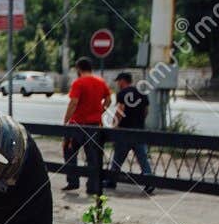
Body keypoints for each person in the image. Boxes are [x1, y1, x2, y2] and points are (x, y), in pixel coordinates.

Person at [62, 57, 110, 195]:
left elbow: (73, 103)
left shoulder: (79, 82)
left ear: (78, 68)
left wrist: (66, 121)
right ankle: (93, 186)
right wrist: (100, 111)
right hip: (94, 125)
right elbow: (108, 99)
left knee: (69, 151)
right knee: (92, 156)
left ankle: (73, 181)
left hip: (77, 125)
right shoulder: (101, 82)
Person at [108, 71, 156, 195]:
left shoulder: (122, 93)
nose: (118, 83)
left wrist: (114, 126)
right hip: (139, 131)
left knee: (118, 157)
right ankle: (149, 181)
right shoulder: (142, 93)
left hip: (125, 131)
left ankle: (112, 181)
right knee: (142, 158)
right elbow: (146, 111)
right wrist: (139, 122)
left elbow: (120, 110)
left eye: (118, 81)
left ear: (123, 81)